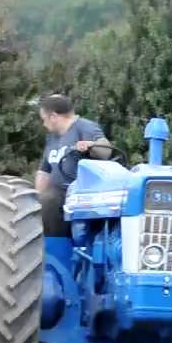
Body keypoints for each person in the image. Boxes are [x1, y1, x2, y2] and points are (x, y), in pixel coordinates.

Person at [34, 93, 111, 236]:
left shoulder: (85, 127)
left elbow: (106, 150)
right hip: (56, 195)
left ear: (53, 117)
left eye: (43, 119)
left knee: (49, 201)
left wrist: (91, 145)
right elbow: (44, 172)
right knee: (42, 202)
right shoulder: (52, 138)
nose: (43, 124)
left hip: (79, 192)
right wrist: (35, 200)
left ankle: (56, 252)